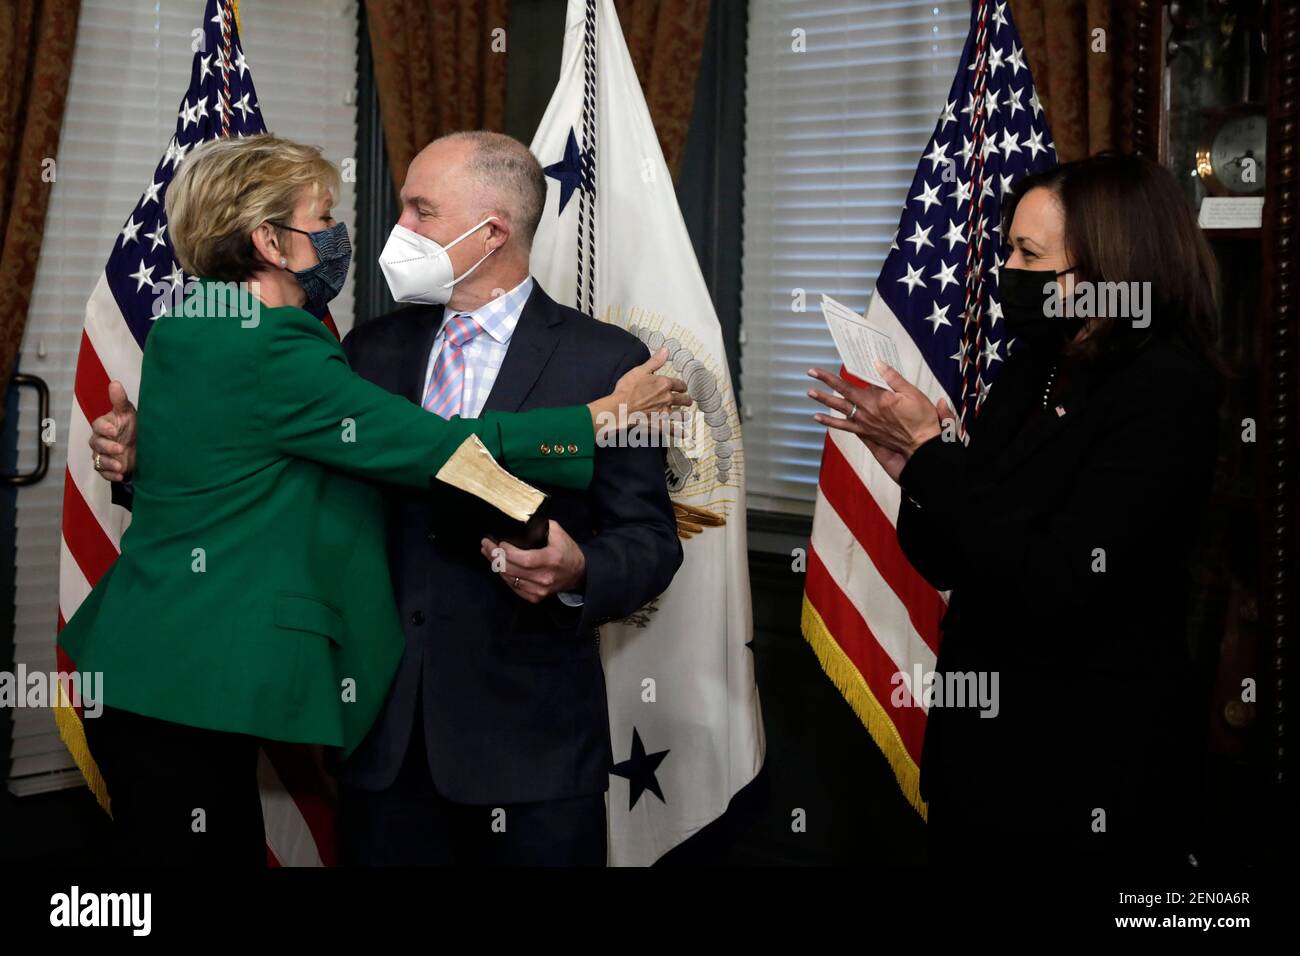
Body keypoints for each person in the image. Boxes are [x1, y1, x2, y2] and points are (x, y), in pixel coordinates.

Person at [67, 133, 687, 866]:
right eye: (334, 214)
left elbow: (648, 537)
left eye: (421, 211)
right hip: (376, 728)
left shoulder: (607, 360)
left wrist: (582, 570)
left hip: (527, 740)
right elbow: (420, 453)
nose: (393, 232)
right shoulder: (358, 348)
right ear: (270, 239)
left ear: (491, 231)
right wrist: (596, 419)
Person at [807, 153, 1222, 865]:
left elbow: (1062, 578)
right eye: (1008, 249)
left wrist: (938, 460)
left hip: (1082, 774)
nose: (1008, 269)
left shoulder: (1166, 388)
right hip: (981, 759)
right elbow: (956, 556)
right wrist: (917, 468)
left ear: (1109, 266)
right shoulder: (1038, 360)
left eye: (1029, 253)